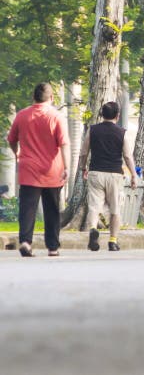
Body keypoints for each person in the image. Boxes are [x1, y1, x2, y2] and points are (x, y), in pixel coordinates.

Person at [6, 83, 70, 257]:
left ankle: (25, 242)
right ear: (52, 98)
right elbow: (64, 144)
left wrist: (17, 153)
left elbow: (11, 139)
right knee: (52, 210)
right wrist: (67, 167)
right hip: (52, 171)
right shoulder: (57, 117)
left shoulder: (22, 115)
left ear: (33, 97)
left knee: (27, 209)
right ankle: (53, 247)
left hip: (29, 170)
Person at [78, 101, 137, 252]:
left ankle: (92, 229)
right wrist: (133, 175)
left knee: (94, 206)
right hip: (115, 174)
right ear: (117, 116)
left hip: (96, 173)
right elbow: (128, 157)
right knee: (115, 209)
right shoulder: (122, 133)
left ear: (101, 114)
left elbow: (84, 152)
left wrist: (83, 168)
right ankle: (113, 241)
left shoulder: (93, 130)